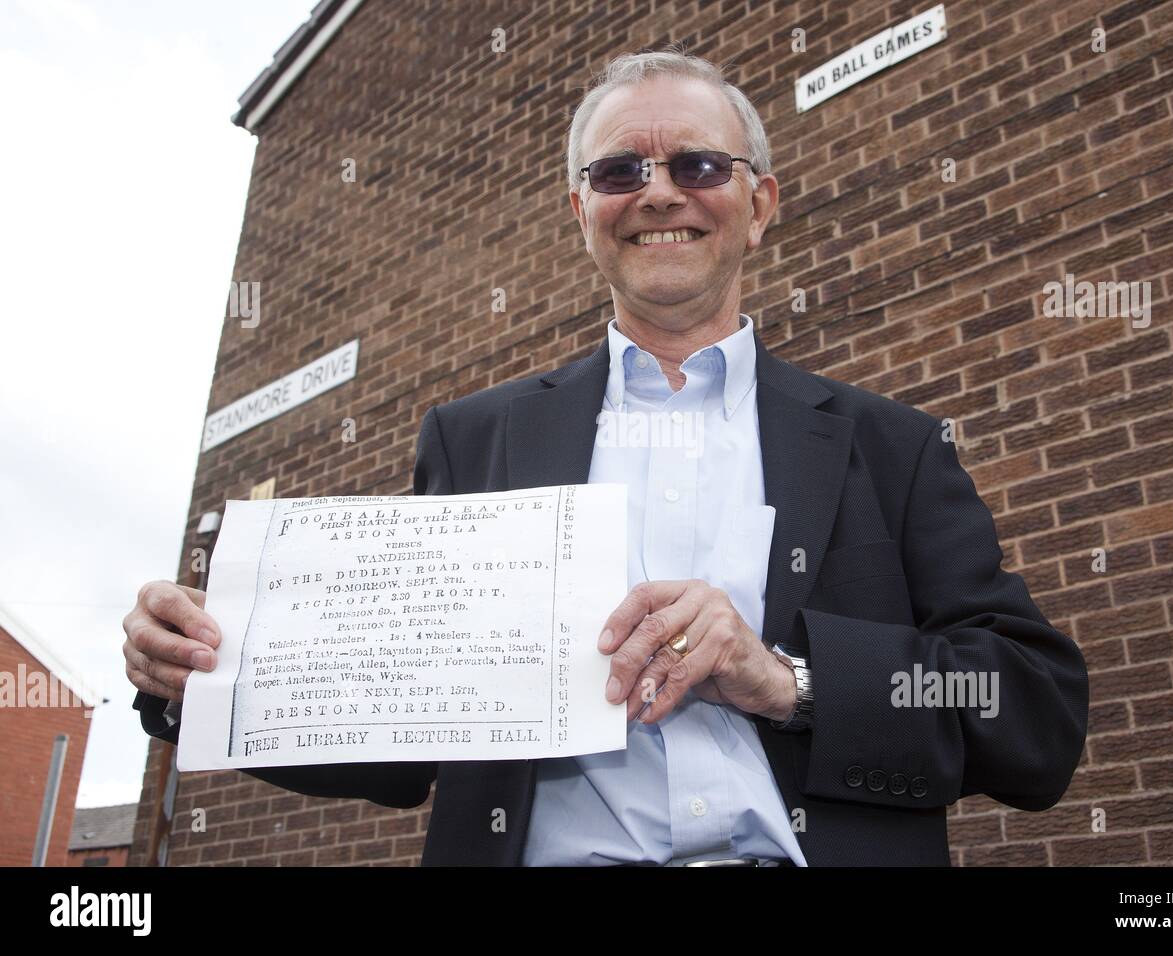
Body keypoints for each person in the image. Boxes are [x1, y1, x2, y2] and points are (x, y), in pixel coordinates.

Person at [123, 49, 1089, 866]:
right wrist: (209, 674)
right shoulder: (476, 438)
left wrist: (787, 679)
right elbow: (403, 743)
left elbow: (1033, 715)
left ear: (758, 205)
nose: (658, 191)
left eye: (700, 166)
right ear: (580, 210)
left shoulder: (894, 445)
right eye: (619, 171)